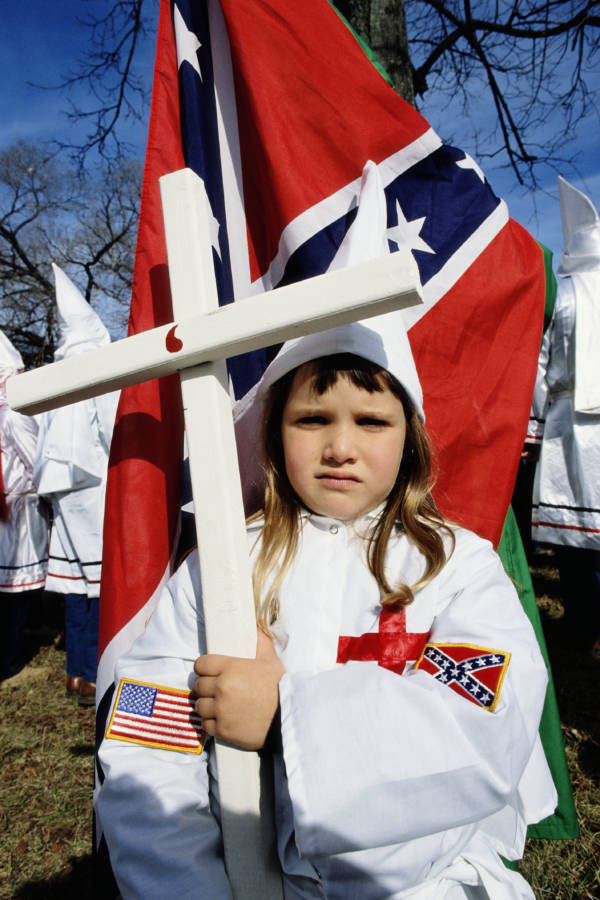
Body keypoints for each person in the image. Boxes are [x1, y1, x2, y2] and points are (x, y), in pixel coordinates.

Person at [96, 301, 557, 898]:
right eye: (312, 419)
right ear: (273, 430)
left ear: (410, 438)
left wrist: (287, 714)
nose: (341, 447)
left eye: (371, 421)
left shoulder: (459, 567)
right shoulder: (222, 567)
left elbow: (483, 728)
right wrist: (190, 888)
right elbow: (148, 751)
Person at [33, 265, 119, 704]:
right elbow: (110, 425)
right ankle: (91, 672)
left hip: (60, 486)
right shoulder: (96, 365)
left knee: (76, 580)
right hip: (92, 480)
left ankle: (75, 672)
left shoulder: (56, 370)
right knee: (102, 577)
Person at [526, 177, 600, 650]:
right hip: (569, 424)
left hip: (566, 424)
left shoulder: (564, 296)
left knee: (575, 536)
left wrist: (532, 425)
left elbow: (540, 365)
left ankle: (582, 625)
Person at [0, 331, 49, 680]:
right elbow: (33, 462)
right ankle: (10, 658)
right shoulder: (15, 415)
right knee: (18, 586)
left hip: (8, 506)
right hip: (17, 511)